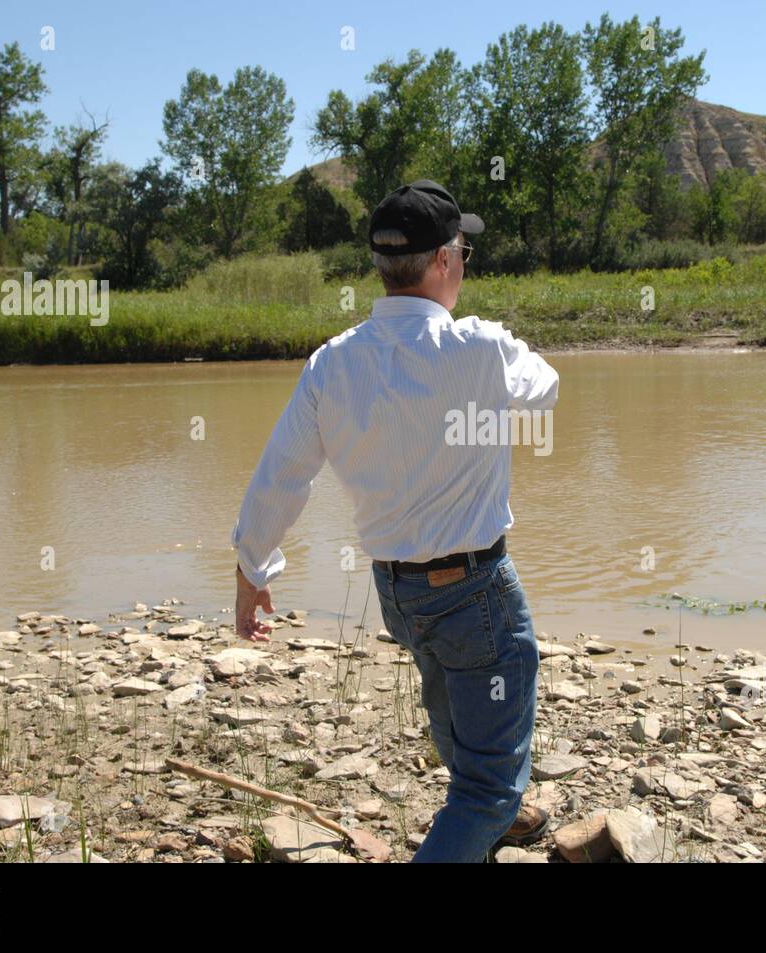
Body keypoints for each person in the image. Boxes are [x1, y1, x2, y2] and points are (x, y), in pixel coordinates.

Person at [231, 179, 559, 862]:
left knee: (448, 693)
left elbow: (282, 472)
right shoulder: (483, 350)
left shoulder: (333, 362)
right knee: (490, 784)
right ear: (444, 260)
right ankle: (488, 806)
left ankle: (489, 811)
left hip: (400, 596)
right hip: (476, 592)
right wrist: (489, 343)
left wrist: (252, 567)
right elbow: (546, 389)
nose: (465, 264)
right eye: (464, 251)